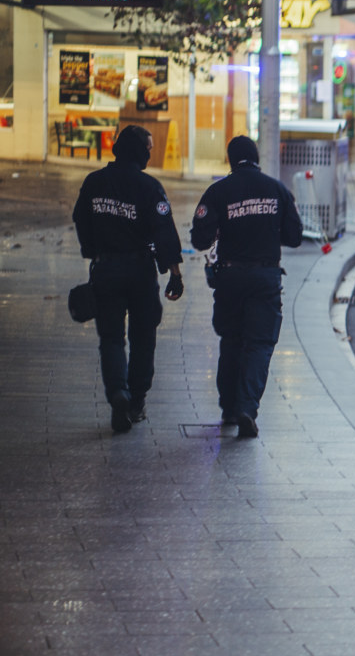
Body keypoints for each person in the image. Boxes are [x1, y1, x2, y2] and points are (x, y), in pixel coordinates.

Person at [73, 125, 184, 434]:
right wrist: (174, 273)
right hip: (140, 272)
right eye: (148, 148)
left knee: (110, 338)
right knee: (143, 337)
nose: (150, 153)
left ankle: (117, 393)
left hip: (106, 270)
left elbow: (80, 217)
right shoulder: (149, 187)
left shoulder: (94, 182)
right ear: (137, 150)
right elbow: (164, 231)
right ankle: (135, 400)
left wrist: (92, 250)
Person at [190, 136, 303, 439]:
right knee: (259, 344)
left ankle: (228, 407)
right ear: (257, 158)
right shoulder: (277, 190)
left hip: (229, 279)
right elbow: (294, 236)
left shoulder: (219, 191)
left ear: (230, 160)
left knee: (231, 340)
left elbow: (199, 239)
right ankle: (246, 408)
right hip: (265, 278)